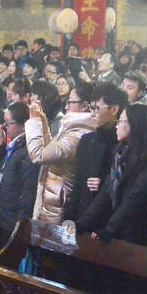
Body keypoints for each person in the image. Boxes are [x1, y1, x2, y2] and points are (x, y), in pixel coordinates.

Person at [77, 102, 147, 245]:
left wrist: (110, 229)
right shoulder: (123, 151)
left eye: (121, 121)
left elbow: (137, 195)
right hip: (119, 225)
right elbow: (107, 191)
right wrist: (84, 222)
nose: (116, 126)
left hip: (138, 231)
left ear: (134, 125)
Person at [24, 80, 98, 225]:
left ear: (85, 106)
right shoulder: (72, 127)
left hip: (59, 203)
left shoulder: (79, 134)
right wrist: (42, 120)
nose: (66, 106)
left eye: (71, 102)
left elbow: (39, 155)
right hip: (52, 198)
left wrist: (33, 121)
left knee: (49, 245)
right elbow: (50, 147)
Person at [62, 82, 123, 227]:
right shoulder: (87, 140)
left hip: (106, 222)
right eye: (92, 107)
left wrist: (105, 184)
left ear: (114, 109)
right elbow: (78, 183)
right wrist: (69, 219)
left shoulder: (122, 144)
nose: (92, 113)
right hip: (81, 215)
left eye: (97, 108)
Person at [0, 101, 39, 253]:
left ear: (23, 125)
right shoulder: (13, 146)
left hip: (13, 221)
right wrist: (0, 146)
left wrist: (21, 224)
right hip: (3, 215)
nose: (3, 127)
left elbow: (29, 190)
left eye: (8, 123)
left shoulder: (28, 150)